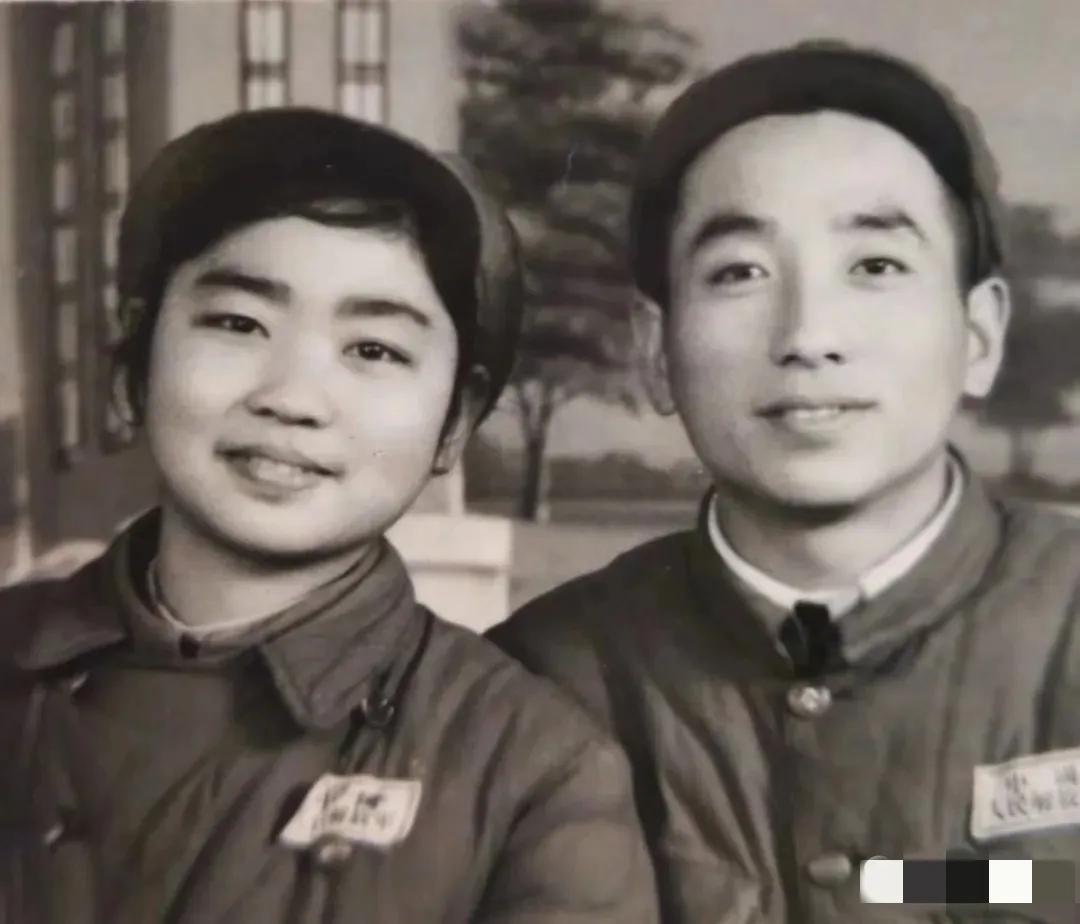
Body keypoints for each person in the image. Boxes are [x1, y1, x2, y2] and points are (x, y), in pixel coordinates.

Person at [0, 108, 658, 924]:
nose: (292, 398)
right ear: (133, 367)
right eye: (239, 324)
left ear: (455, 422)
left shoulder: (533, 769)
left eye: (373, 350)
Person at [491, 42, 1080, 923]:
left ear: (981, 334)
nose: (809, 335)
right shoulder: (537, 684)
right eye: (739, 274)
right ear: (656, 353)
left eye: (875, 266)